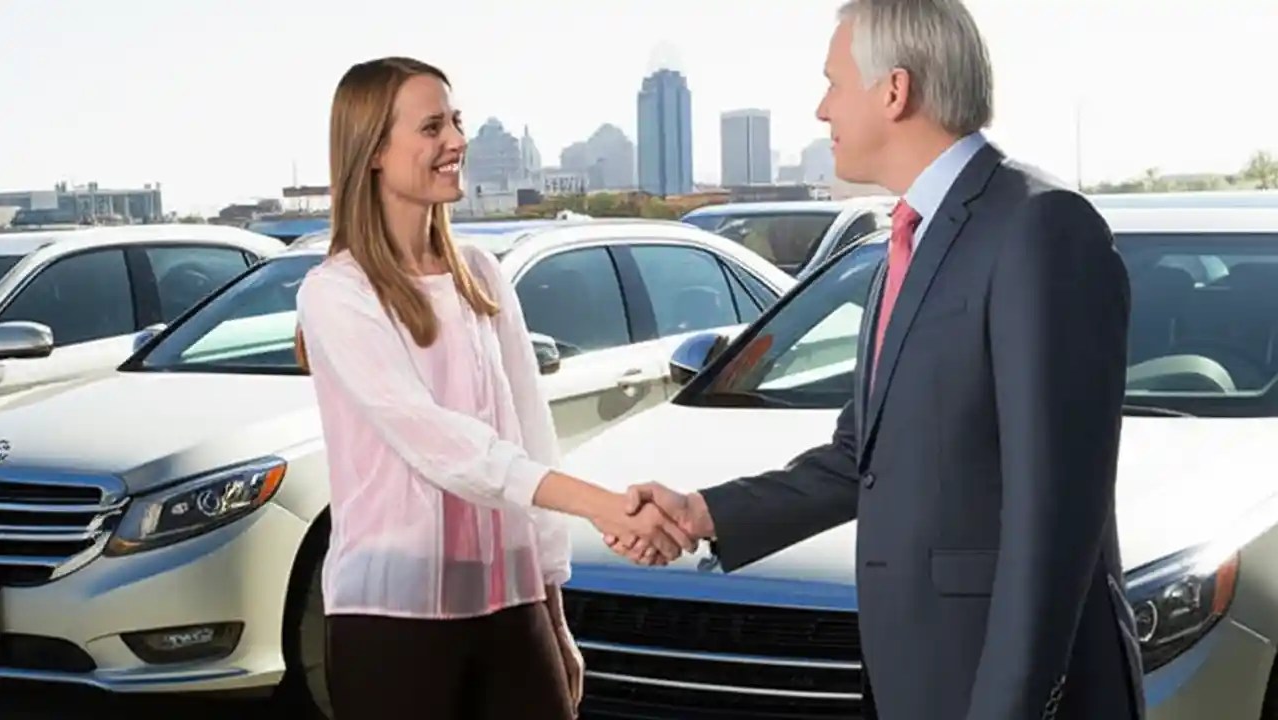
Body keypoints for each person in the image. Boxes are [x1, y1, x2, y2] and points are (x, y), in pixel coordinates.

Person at [609, 1, 1144, 718]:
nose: (821, 108)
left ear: (894, 91)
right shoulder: (906, 240)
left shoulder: (1041, 228)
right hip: (917, 679)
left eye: (833, 82)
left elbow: (1053, 521)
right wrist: (703, 511)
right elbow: (860, 455)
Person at [295, 57, 694, 720]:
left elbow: (528, 434)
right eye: (431, 127)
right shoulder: (337, 294)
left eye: (455, 120)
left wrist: (554, 613)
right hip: (394, 616)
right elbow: (445, 446)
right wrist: (600, 505)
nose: (456, 140)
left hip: (513, 607)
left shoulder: (480, 275)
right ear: (372, 151)